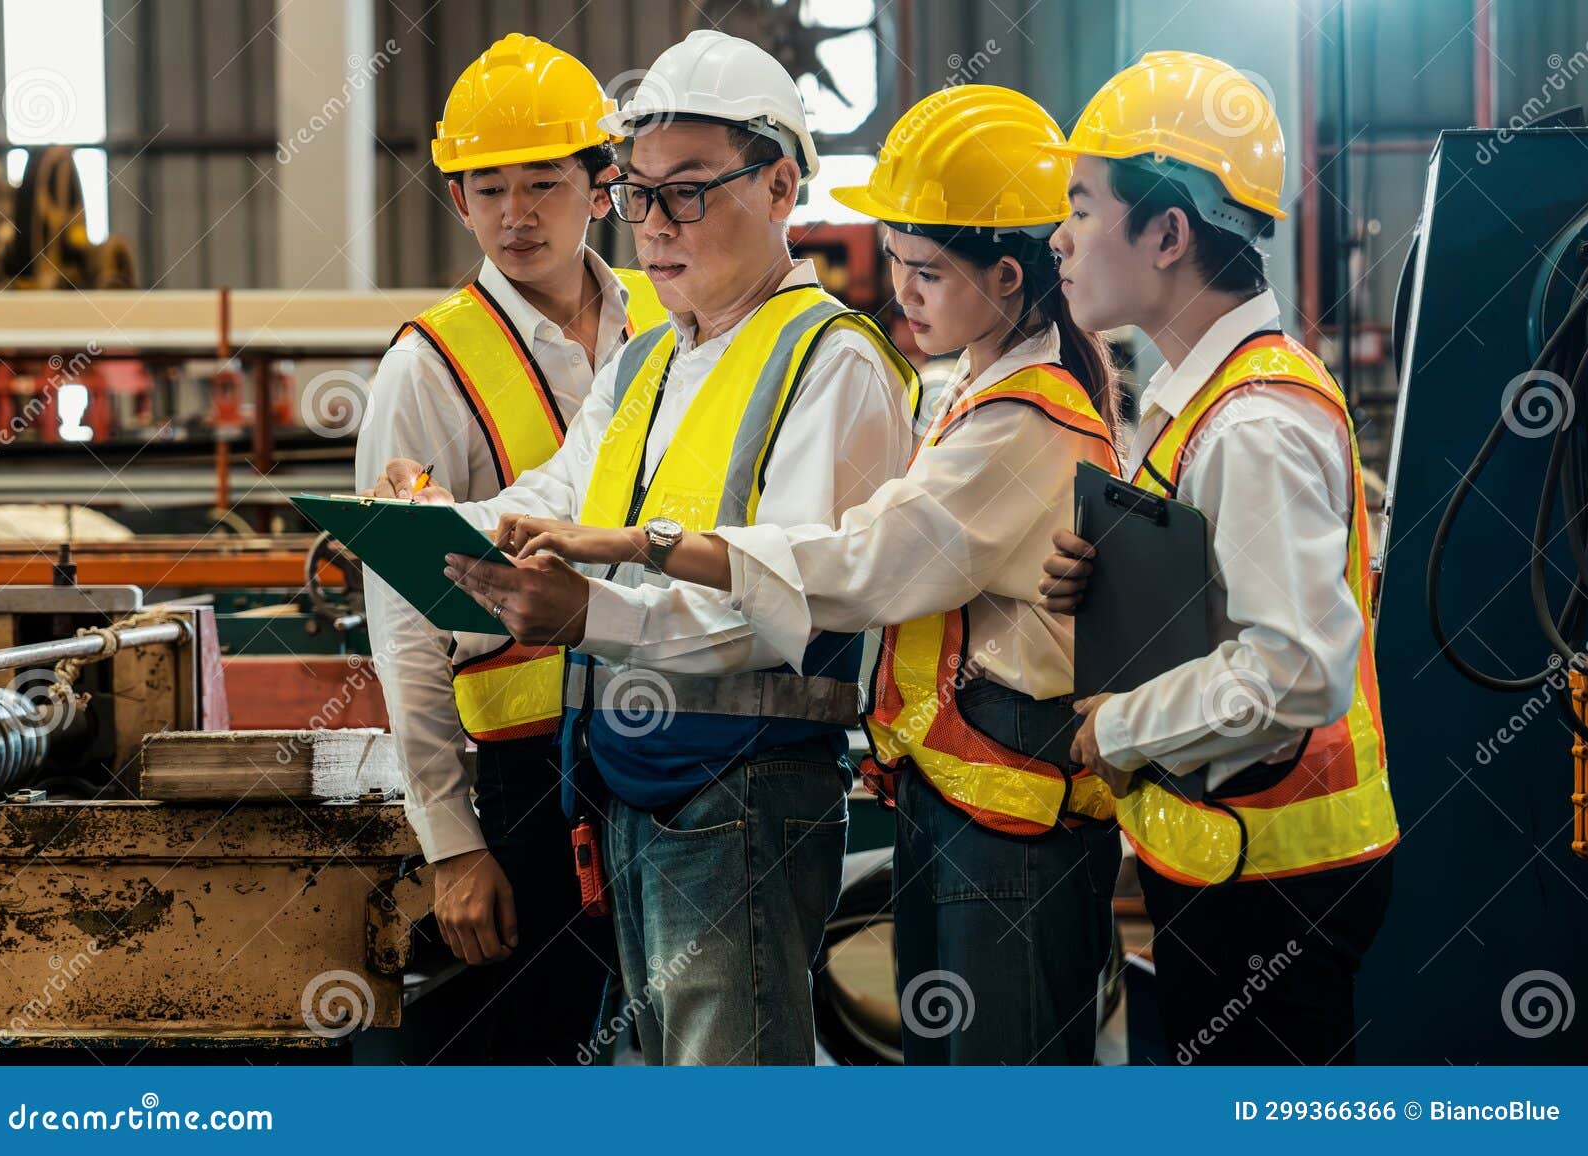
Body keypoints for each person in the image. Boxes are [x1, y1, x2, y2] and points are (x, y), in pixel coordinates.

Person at [477, 85, 1125, 1065]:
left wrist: (643, 550)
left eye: (925, 271)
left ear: (1005, 274)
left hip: (1003, 813)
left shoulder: (1010, 418)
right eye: (897, 264)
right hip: (956, 798)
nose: (901, 290)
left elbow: (857, 564)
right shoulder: (973, 398)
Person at [372, 30, 916, 1065]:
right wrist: (438, 520)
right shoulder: (650, 362)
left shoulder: (831, 363)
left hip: (743, 795)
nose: (655, 227)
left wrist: (591, 617)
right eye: (642, 195)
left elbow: (801, 596)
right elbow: (554, 496)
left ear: (780, 186)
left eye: (690, 194)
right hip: (625, 791)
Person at [1037, 51, 1398, 1064]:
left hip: (1274, 882)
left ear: (1166, 233)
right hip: (1229, 857)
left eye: (1080, 206)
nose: (1058, 239)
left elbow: (1294, 668)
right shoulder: (1205, 396)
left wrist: (1118, 725)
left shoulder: (1249, 424)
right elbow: (1217, 599)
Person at [355, 33, 661, 1063]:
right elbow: (401, 623)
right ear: (458, 203)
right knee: (530, 1060)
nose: (517, 213)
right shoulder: (426, 367)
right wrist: (452, 842)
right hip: (528, 786)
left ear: (600, 186)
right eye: (489, 189)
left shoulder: (670, 323)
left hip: (678, 756)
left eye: (545, 182)